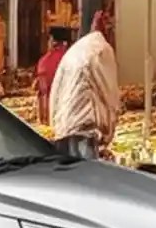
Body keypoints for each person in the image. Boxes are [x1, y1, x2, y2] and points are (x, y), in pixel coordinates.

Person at [47, 10, 120, 159]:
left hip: (65, 125)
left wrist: (55, 122)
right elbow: (108, 92)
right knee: (87, 167)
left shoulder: (76, 50)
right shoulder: (102, 50)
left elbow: (55, 91)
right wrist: (109, 129)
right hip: (86, 127)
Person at [36, 27, 74, 126]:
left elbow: (43, 91)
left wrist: (43, 120)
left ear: (53, 41)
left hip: (52, 112)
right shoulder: (73, 58)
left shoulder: (45, 61)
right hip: (70, 113)